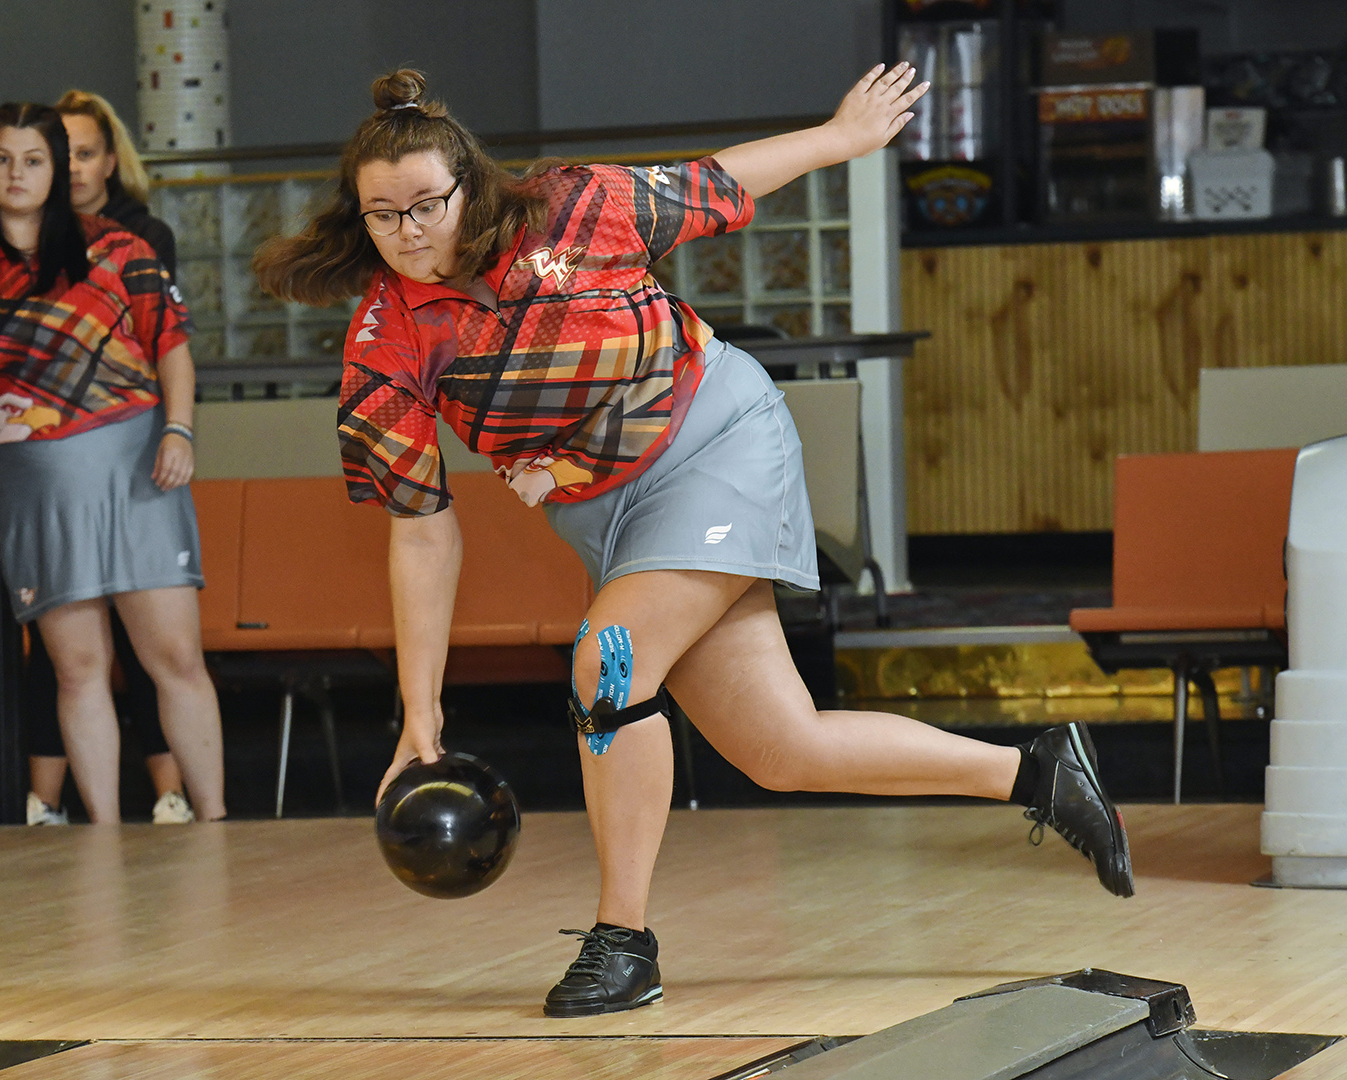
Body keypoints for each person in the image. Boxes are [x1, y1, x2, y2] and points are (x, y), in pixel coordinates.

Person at [253, 67, 1133, 1018]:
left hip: (717, 438)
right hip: (605, 510)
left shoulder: (573, 205)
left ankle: (623, 941)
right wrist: (418, 715)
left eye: (428, 203)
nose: (409, 230)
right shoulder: (384, 344)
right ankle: (1038, 772)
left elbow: (720, 180)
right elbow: (421, 534)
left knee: (609, 663)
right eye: (383, 215)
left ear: (473, 182)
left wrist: (841, 136)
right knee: (783, 752)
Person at [0, 101, 226, 825]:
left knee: (175, 658)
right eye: (1, 160)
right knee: (77, 667)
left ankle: (214, 824)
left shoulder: (118, 251)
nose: (16, 175)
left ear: (58, 170)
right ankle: (107, 838)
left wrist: (179, 430)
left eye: (32, 160)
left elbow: (172, 347)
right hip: (36, 485)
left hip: (139, 470)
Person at [11, 87, 192, 826]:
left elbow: (160, 345)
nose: (74, 166)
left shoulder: (143, 235)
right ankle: (44, 802)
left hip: (135, 456)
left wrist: (172, 432)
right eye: (60, 154)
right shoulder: (20, 238)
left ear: (111, 161)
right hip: (52, 464)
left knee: (146, 637)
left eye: (85, 152)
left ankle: (172, 794)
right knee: (58, 645)